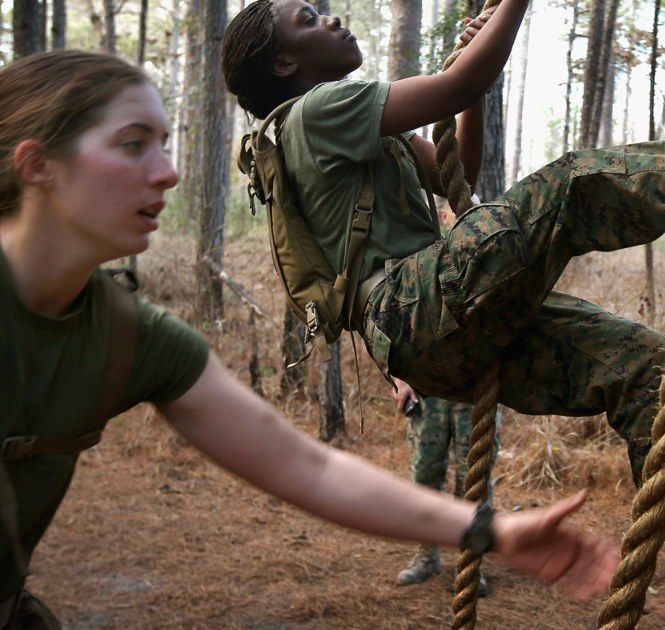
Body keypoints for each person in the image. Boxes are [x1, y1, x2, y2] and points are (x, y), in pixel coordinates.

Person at [221, 0, 665, 625]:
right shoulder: (318, 111)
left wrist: (468, 83)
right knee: (578, 182)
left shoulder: (332, 132)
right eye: (308, 19)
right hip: (418, 305)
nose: (331, 18)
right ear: (283, 64)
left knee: (642, 366)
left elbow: (457, 172)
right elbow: (461, 81)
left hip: (428, 335)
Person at [0, 49, 618, 629]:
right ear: (37, 166)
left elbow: (309, 467)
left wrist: (491, 531)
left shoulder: (134, 338)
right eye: (133, 146)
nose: (168, 173)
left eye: (163, 144)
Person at [390, 377, 500, 593]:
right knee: (424, 476)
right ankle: (427, 556)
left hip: (476, 387)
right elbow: (392, 342)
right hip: (427, 388)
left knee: (474, 480)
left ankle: (471, 563)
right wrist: (400, 379)